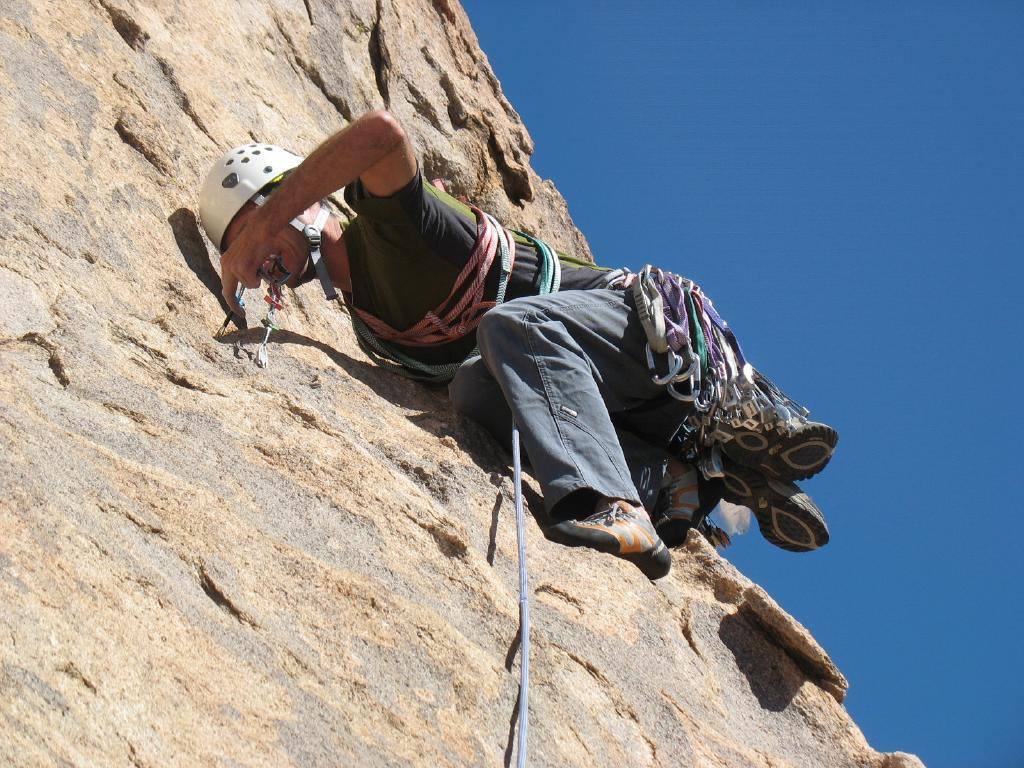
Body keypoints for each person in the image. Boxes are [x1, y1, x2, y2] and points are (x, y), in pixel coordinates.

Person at [200, 110, 836, 581]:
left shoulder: (390, 226)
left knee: (509, 328)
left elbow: (381, 135)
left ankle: (629, 490)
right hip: (611, 395)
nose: (253, 264)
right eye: (240, 253)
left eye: (250, 235)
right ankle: (680, 474)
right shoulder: (368, 322)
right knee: (473, 391)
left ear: (289, 202)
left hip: (644, 335)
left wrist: (261, 223)